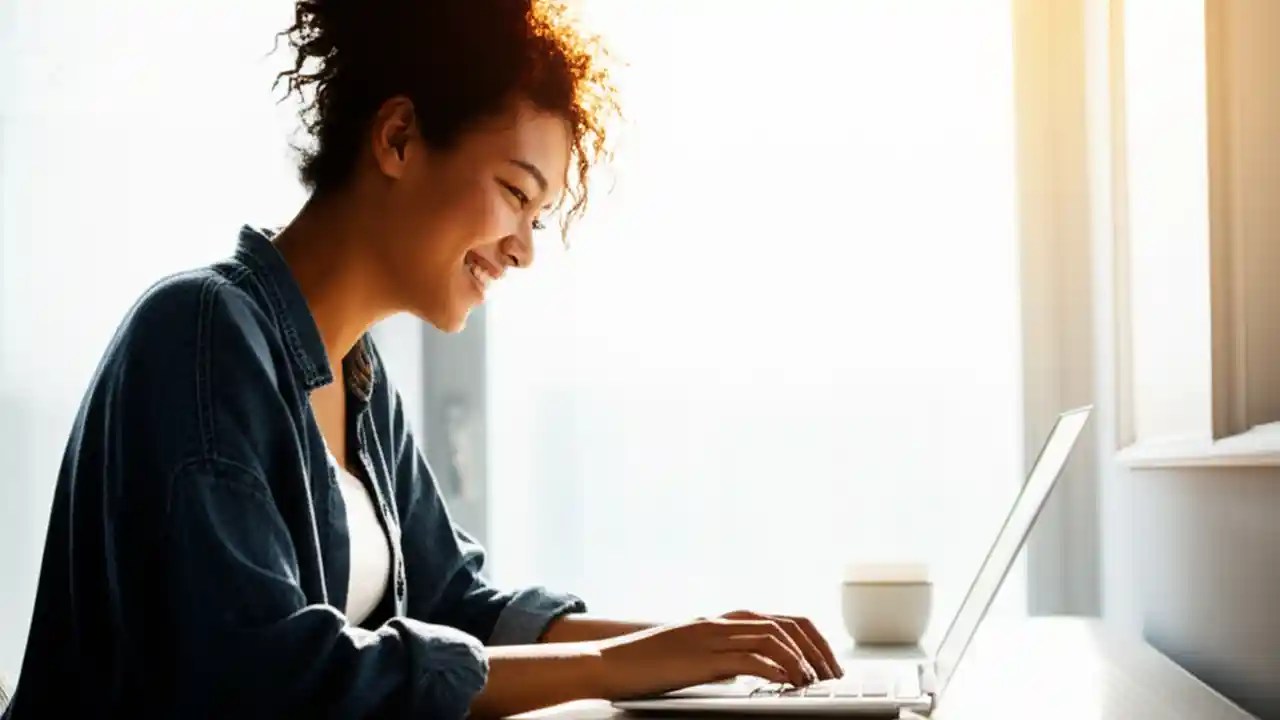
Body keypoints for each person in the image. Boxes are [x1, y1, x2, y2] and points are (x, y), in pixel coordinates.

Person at [2, 1, 842, 718]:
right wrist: (611, 668)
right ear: (399, 138)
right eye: (516, 193)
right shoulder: (197, 334)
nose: (522, 252)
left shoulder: (360, 384)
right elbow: (261, 678)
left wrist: (694, 647)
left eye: (539, 216)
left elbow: (459, 609)